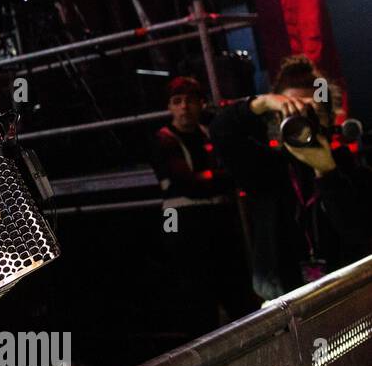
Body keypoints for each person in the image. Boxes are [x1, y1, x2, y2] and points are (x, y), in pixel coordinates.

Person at [210, 55, 372, 301]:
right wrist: (262, 103)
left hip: (347, 302)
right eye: (292, 111)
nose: (304, 121)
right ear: (277, 119)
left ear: (329, 118)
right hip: (283, 305)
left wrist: (327, 173)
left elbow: (359, 235)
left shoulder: (354, 173)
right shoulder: (265, 168)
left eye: (312, 112)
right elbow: (221, 131)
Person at [148, 76, 249, 338]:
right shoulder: (164, 139)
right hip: (182, 222)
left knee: (234, 288)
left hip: (216, 220)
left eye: (190, 101)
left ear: (201, 104)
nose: (184, 107)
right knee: (196, 293)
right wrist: (216, 178)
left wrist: (213, 179)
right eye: (177, 101)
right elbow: (186, 183)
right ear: (169, 107)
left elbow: (230, 174)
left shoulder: (209, 133)